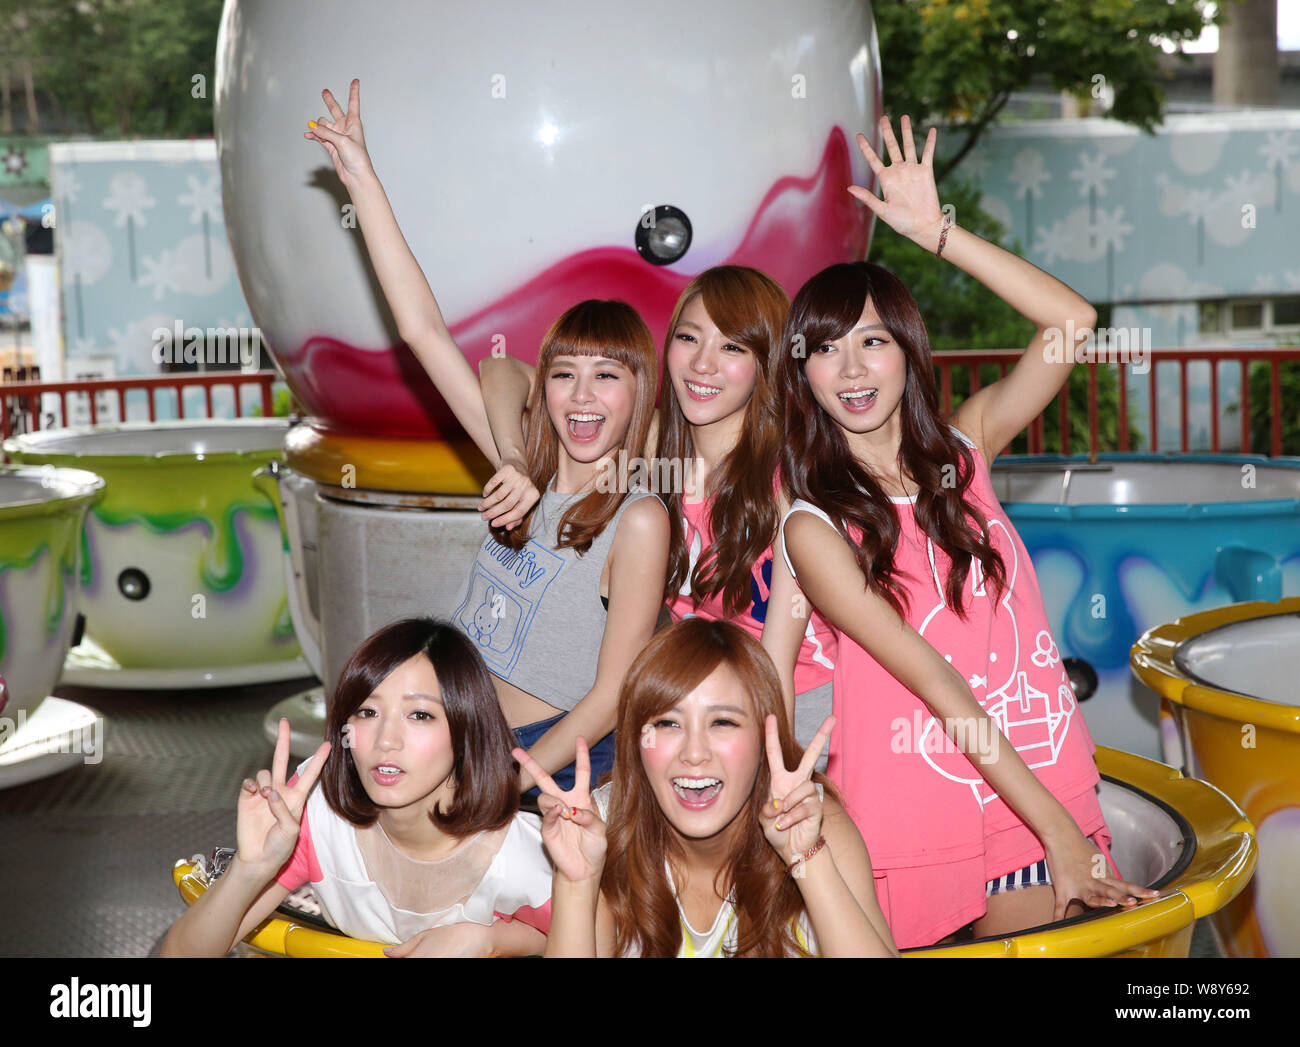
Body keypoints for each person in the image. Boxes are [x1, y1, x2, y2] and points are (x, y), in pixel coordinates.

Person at [775, 115, 1158, 948]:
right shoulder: (812, 526)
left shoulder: (965, 449)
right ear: (800, 373)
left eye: (873, 341)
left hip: (1040, 790)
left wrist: (937, 234)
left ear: (909, 351)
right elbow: (936, 682)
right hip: (923, 823)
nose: (850, 369)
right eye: (825, 349)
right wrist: (1056, 827)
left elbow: (1072, 322)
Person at [304, 81, 669, 792]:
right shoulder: (523, 468)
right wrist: (362, 179)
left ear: (638, 395)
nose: (584, 394)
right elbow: (424, 331)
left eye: (608, 376)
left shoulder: (639, 516)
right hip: (459, 731)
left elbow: (613, 692)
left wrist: (510, 777)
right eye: (565, 374)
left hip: (548, 759)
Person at [480, 267, 837, 767]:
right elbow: (502, 372)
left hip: (790, 723)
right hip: (691, 709)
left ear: (767, 361)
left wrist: (776, 772)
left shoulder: (787, 492)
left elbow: (775, 674)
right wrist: (515, 457)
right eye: (688, 338)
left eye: (732, 347)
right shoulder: (656, 458)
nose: (702, 364)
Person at [160, 618, 552, 958]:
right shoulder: (316, 808)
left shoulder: (522, 853)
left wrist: (496, 940)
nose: (386, 740)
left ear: (467, 732)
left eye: (419, 715)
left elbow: (606, 943)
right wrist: (251, 868)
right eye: (367, 711)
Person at [517, 618, 897, 957]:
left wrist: (807, 858)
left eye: (723, 723)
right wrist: (576, 882)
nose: (694, 753)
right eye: (668, 724)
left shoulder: (815, 825)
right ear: (636, 740)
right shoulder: (599, 830)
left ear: (766, 739)